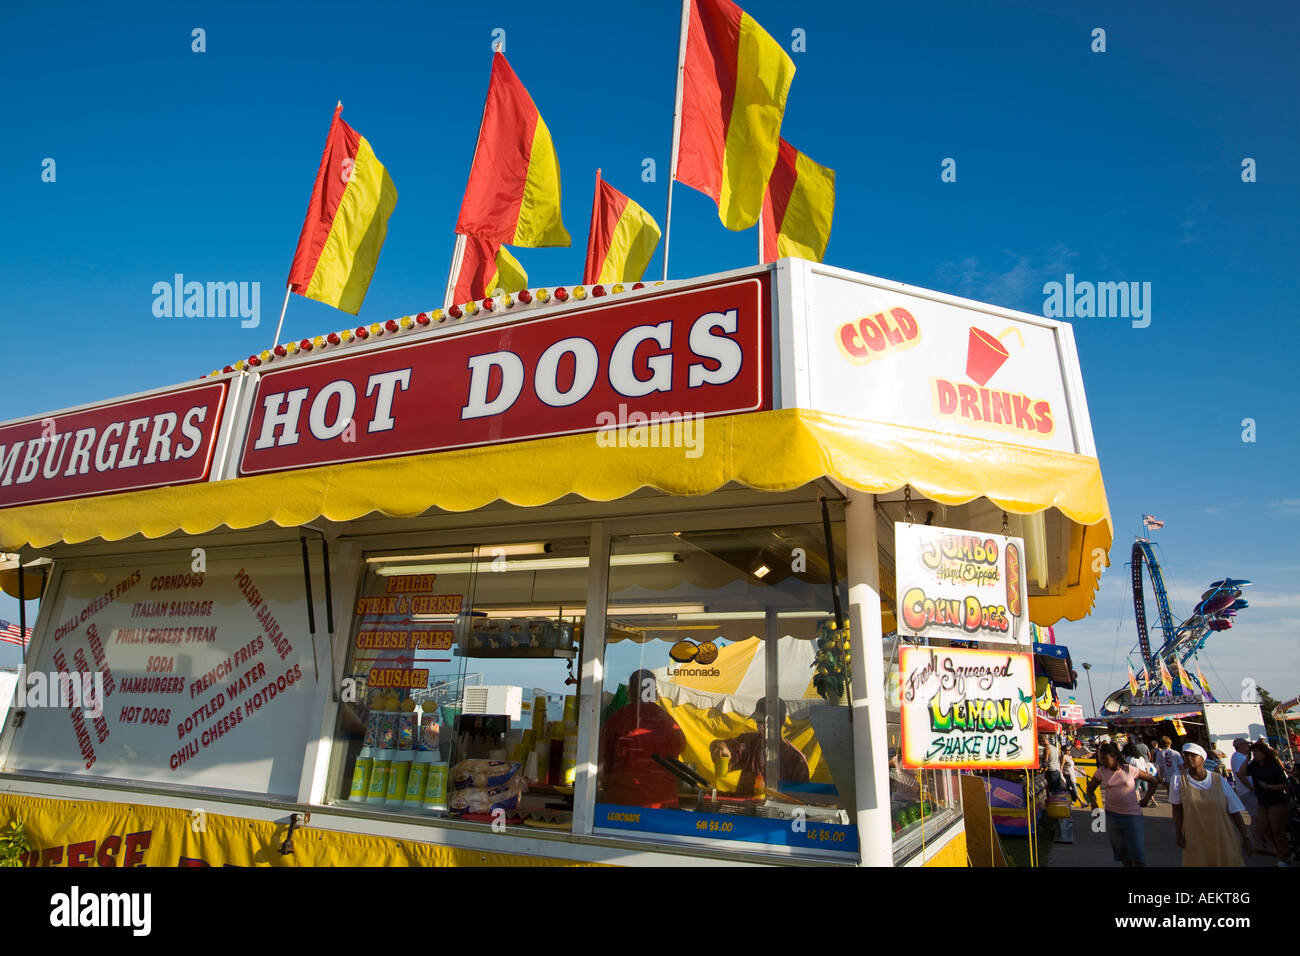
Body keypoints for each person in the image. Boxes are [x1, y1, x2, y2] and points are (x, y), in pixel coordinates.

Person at [599, 670, 688, 809]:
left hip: (621, 804)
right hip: (662, 803)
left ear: (631, 692)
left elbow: (601, 762)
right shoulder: (668, 722)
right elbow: (679, 748)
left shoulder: (617, 719)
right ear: (655, 692)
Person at [1169, 742, 1250, 867]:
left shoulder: (1218, 779)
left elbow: (1234, 810)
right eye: (1185, 755)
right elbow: (1177, 809)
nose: (1188, 758)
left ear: (1202, 759)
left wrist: (1245, 836)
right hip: (1195, 835)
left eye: (1192, 755)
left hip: (1222, 834)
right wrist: (1179, 833)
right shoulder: (1178, 778)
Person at [709, 697, 810, 798]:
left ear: (781, 721)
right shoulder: (751, 742)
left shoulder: (796, 760)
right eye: (758, 721)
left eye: (765, 722)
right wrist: (721, 747)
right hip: (742, 811)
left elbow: (799, 804)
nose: (760, 726)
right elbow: (730, 746)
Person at [1087, 742, 1158, 867]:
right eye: (1100, 758)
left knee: (1137, 856)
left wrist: (1146, 799)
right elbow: (1090, 789)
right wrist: (1094, 805)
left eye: (1105, 758)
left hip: (1132, 816)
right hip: (1113, 816)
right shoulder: (1101, 772)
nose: (1102, 761)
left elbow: (1153, 780)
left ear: (1114, 756)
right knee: (1124, 856)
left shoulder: (1129, 769)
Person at [1245, 740, 1292, 865]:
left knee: (1277, 829)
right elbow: (1242, 773)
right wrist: (1247, 758)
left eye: (1257, 752)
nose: (1255, 755)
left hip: (1276, 800)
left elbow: (1285, 786)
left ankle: (1284, 857)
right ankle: (1280, 852)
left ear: (1264, 753)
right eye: (1253, 752)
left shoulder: (1273, 766)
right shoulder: (1254, 766)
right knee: (1264, 828)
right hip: (1262, 801)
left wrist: (1269, 787)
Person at [1229, 738, 1265, 854]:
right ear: (1240, 746)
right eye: (1246, 744)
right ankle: (1257, 842)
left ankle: (1259, 840)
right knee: (1256, 817)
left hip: (1247, 790)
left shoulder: (1241, 756)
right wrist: (1252, 787)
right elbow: (1241, 775)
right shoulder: (1238, 757)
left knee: (1257, 816)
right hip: (1247, 790)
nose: (1248, 747)